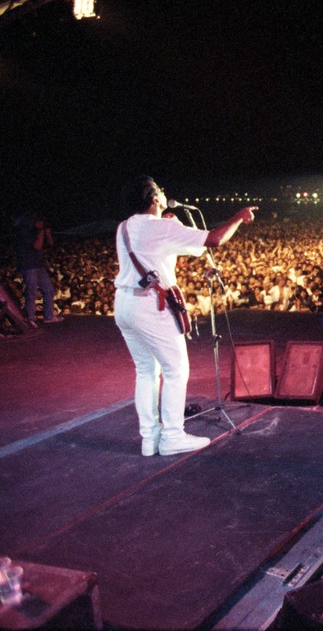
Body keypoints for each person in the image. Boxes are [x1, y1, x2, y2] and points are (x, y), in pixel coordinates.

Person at [114, 176, 257, 457]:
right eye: (161, 191)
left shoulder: (124, 228)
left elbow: (192, 248)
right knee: (175, 370)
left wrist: (174, 227)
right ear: (155, 198)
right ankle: (171, 437)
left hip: (124, 304)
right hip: (150, 307)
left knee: (145, 372)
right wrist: (239, 217)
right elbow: (213, 239)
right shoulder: (160, 227)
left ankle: (149, 438)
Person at [13, 210, 63, 325]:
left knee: (48, 289)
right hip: (28, 265)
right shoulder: (24, 232)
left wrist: (47, 233)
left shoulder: (37, 232)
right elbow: (37, 246)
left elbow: (50, 244)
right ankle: (30, 318)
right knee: (31, 291)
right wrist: (41, 231)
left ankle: (48, 316)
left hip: (39, 265)